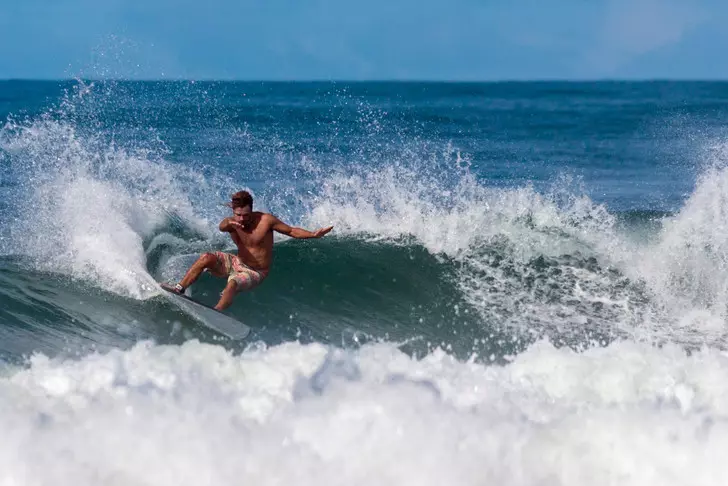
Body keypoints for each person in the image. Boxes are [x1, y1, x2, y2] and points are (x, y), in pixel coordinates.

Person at [168, 190, 333, 310]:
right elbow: (222, 226)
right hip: (236, 262)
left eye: (245, 215)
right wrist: (230, 223)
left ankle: (216, 312)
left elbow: (291, 231)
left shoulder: (266, 221)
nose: (241, 218)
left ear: (251, 210)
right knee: (206, 257)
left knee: (232, 283)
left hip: (256, 271)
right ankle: (179, 288)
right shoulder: (233, 221)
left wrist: (313, 235)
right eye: (237, 214)